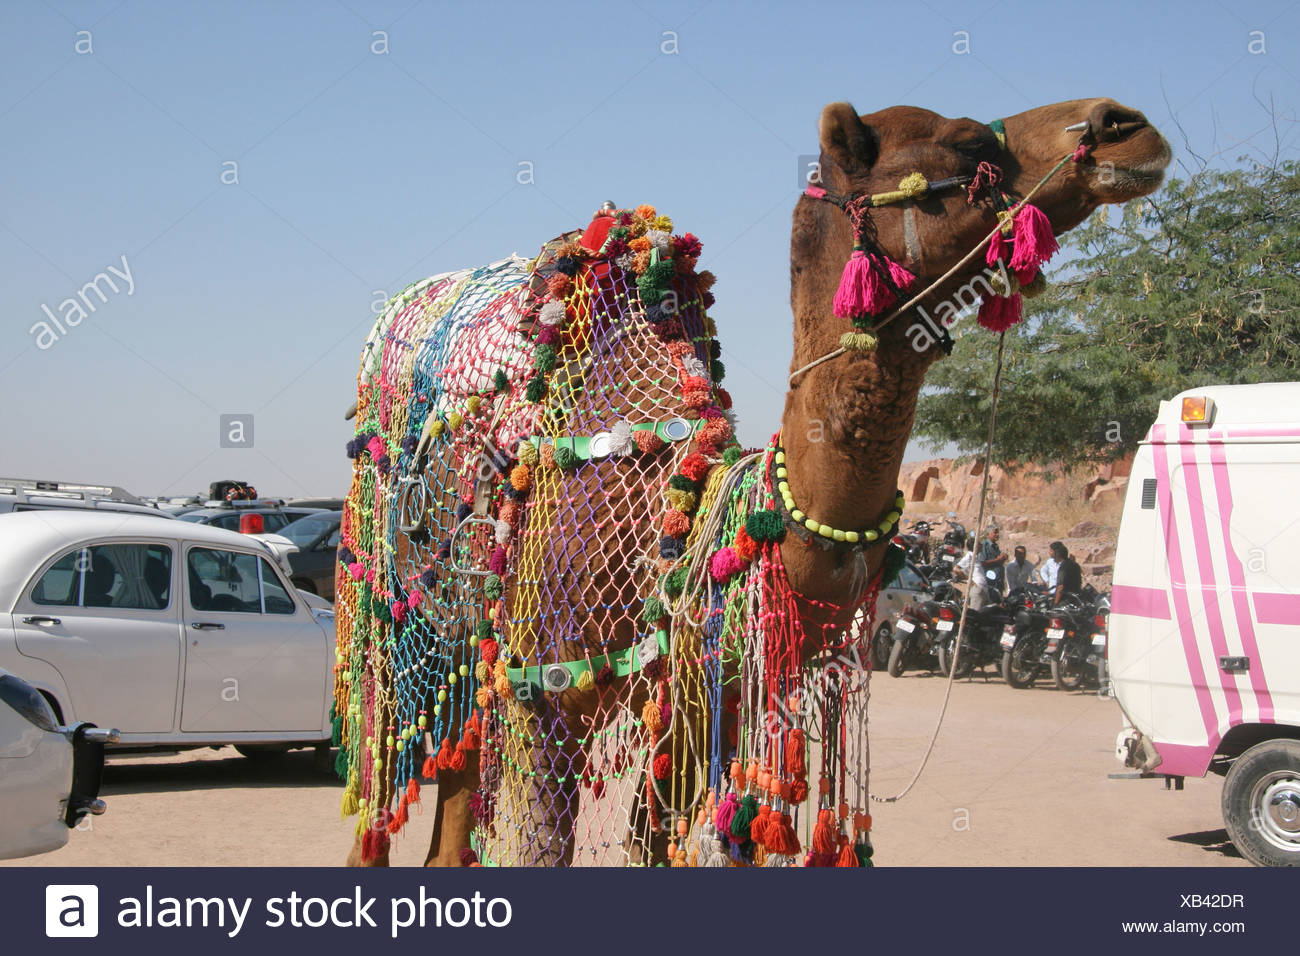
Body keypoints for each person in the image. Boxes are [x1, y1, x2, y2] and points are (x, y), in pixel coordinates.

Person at [977, 525, 1008, 591]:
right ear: (988, 534)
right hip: (989, 581)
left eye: (998, 533)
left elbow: (997, 561)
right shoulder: (983, 546)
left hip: (998, 580)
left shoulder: (995, 546)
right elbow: (982, 563)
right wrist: (998, 560)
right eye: (995, 533)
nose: (997, 534)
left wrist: (1003, 558)